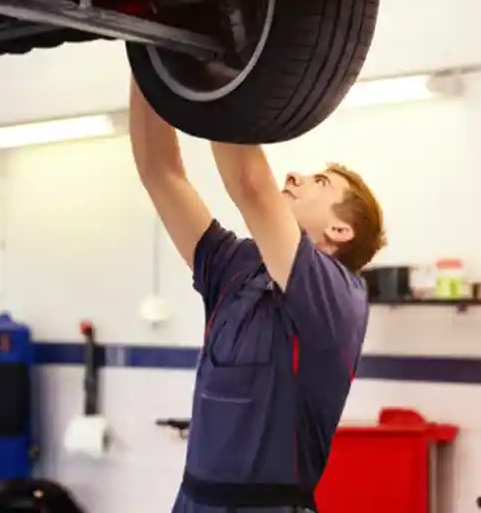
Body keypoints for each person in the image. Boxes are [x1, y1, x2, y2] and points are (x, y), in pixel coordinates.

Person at [129, 81, 385, 512]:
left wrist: (213, 74)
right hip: (192, 501)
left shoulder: (339, 298)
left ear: (340, 231)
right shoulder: (238, 267)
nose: (293, 176)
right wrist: (150, 59)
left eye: (319, 181)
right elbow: (160, 171)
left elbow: (251, 183)